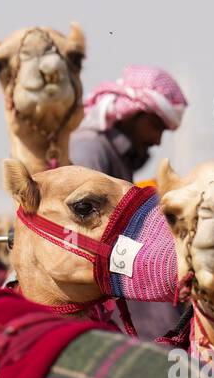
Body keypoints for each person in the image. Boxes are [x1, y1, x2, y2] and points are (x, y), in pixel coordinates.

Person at [70, 65, 189, 338]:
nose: (157, 140)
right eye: (156, 126)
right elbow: (89, 232)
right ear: (133, 115)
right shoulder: (90, 150)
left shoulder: (113, 154)